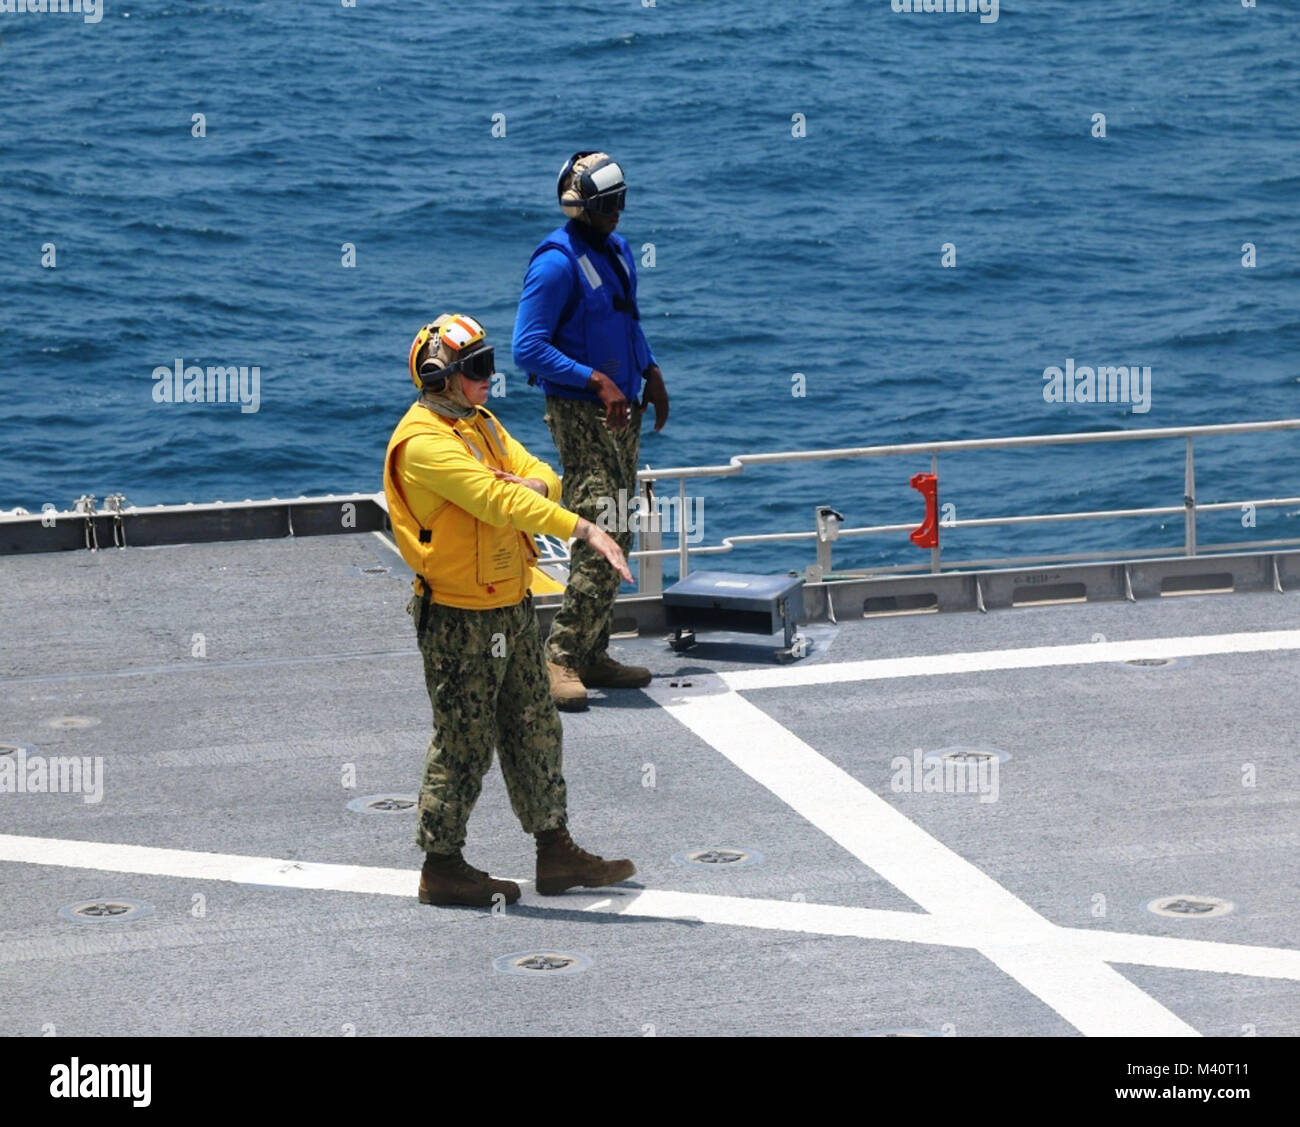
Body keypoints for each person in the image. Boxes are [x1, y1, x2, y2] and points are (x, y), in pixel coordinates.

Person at [384, 312, 637, 907]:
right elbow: (496, 500)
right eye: (477, 369)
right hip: (458, 617)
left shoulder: (482, 425)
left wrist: (538, 490)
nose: (489, 379)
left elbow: (537, 474)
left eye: (490, 365)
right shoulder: (423, 445)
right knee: (464, 739)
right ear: (438, 376)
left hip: (509, 606)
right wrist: (584, 530)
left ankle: (555, 852)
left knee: (535, 726)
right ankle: (441, 866)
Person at [512, 150, 670, 712]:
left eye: (621, 203)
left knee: (621, 524)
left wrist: (648, 371)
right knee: (600, 519)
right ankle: (559, 656)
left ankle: (592, 651)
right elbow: (526, 347)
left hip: (620, 411)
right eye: (607, 206)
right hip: (582, 415)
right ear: (581, 206)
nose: (618, 214)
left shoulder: (619, 251)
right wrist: (594, 380)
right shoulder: (554, 263)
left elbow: (627, 319)